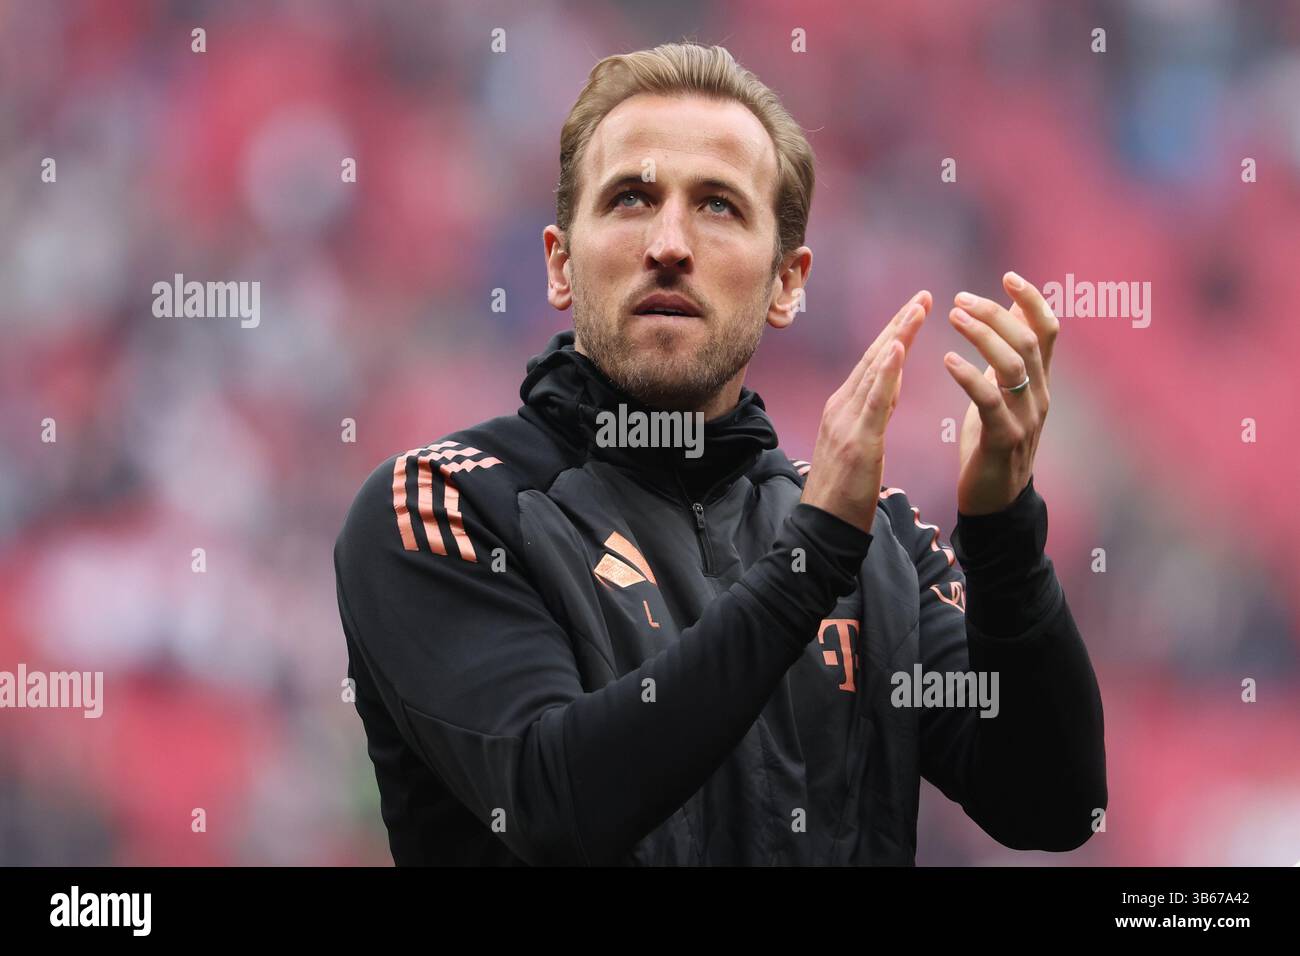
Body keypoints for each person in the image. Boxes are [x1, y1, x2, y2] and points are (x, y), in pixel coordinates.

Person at [333, 41, 1106, 865]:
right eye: (631, 198)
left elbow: (1054, 807)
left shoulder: (879, 546)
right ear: (560, 264)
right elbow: (552, 804)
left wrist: (1003, 535)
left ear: (787, 282)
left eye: (719, 206)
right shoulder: (444, 502)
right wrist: (810, 562)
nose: (669, 242)